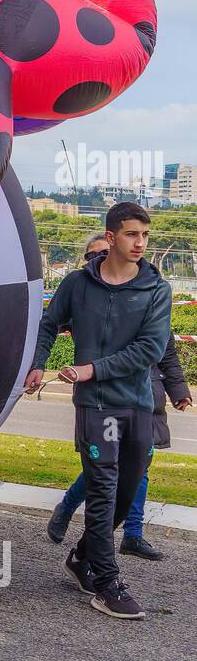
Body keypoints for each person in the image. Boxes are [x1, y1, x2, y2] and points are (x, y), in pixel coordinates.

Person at [25, 202, 172, 620]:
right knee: (103, 492)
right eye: (131, 234)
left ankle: (83, 555)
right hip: (94, 408)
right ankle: (107, 583)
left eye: (144, 235)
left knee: (125, 496)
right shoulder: (77, 284)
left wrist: (92, 369)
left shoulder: (157, 290)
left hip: (138, 404)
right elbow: (49, 323)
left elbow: (150, 349)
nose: (140, 242)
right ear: (111, 237)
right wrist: (38, 362)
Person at [48, 238, 192, 557]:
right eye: (94, 255)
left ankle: (132, 533)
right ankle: (71, 512)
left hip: (145, 397)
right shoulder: (83, 294)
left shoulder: (149, 295)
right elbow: (52, 324)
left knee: (137, 467)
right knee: (105, 469)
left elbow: (164, 349)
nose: (101, 258)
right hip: (100, 398)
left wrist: (179, 391)